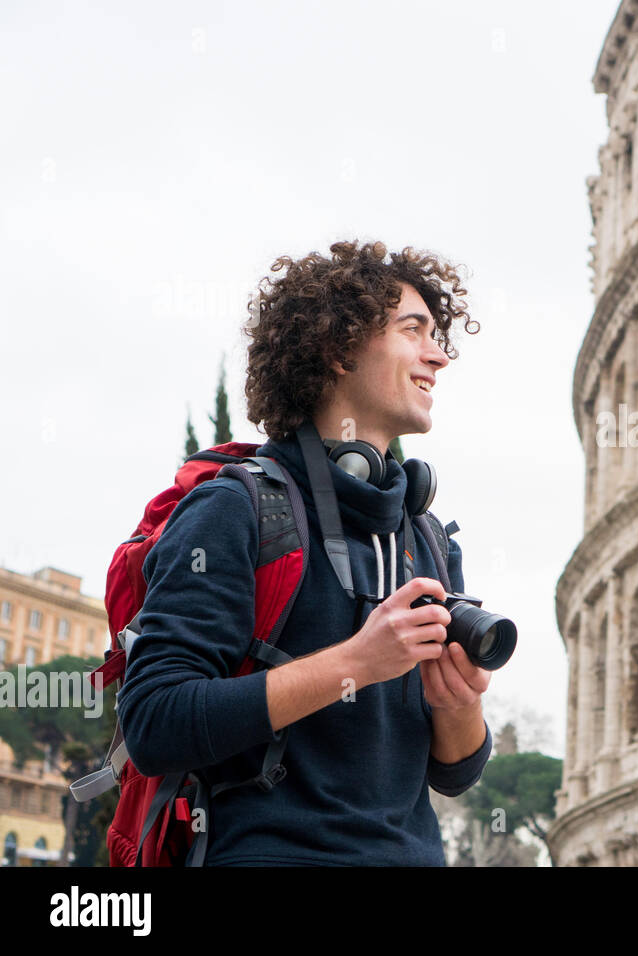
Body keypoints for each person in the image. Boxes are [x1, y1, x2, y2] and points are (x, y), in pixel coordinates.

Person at [116, 239, 492, 865]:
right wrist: (357, 662)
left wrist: (462, 703)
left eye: (439, 335)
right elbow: (155, 722)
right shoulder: (234, 509)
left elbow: (454, 772)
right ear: (340, 349)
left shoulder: (426, 537)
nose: (439, 355)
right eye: (413, 330)